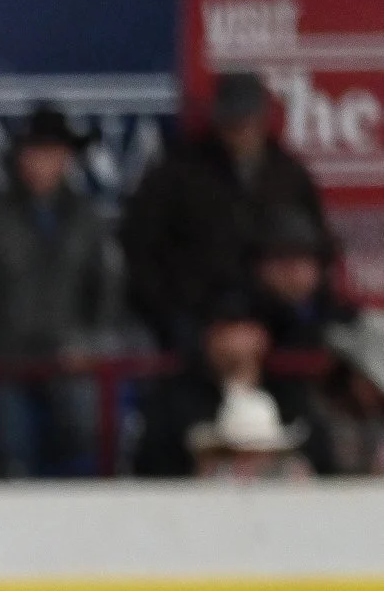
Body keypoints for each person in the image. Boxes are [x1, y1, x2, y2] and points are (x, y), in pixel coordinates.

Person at [0, 103, 115, 479]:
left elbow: (105, 293)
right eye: (36, 153)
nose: (43, 164)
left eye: (53, 154)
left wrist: (90, 343)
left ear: (67, 158)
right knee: (9, 450)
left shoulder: (86, 218)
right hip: (3, 360)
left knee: (86, 434)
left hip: (67, 356)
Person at [122, 72, 333, 351]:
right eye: (232, 120)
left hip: (276, 319)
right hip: (198, 316)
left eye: (247, 119)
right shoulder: (179, 172)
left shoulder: (288, 174)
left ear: (264, 118)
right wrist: (169, 310)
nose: (240, 129)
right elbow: (139, 244)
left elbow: (318, 248)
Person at [132, 294, 331, 478]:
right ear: (207, 337)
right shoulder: (174, 402)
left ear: (262, 335)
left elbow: (324, 464)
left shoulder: (289, 397)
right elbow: (154, 470)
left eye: (243, 328)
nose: (234, 340)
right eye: (224, 330)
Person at [251, 207, 345, 354]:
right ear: (259, 268)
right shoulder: (245, 326)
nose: (291, 270)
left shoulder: (349, 323)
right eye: (280, 258)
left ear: (321, 267)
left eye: (302, 258)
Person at [188, 385, 312, 480]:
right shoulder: (211, 479)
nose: (246, 467)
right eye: (235, 454)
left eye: (255, 454)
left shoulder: (292, 476)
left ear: (272, 453)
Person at [316, 310, 384, 478]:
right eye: (369, 382)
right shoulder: (319, 414)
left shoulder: (376, 414)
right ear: (352, 372)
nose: (374, 392)